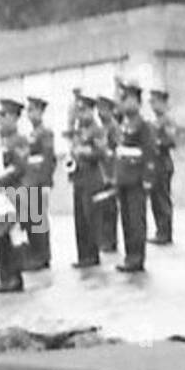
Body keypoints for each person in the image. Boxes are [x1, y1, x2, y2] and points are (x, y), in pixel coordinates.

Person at [112, 78, 158, 273]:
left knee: (136, 221)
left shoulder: (143, 125)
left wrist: (148, 179)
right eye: (124, 99)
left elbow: (149, 153)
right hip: (124, 178)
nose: (125, 103)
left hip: (137, 179)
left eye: (129, 99)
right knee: (126, 221)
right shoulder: (124, 125)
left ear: (138, 102)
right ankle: (130, 255)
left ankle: (137, 257)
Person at [0, 99, 29, 293]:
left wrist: (2, 176)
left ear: (13, 118)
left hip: (13, 192)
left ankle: (15, 277)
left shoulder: (19, 141)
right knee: (1, 236)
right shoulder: (1, 142)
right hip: (1, 193)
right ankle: (5, 276)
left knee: (13, 237)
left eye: (3, 116)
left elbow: (20, 167)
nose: (0, 121)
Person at [67, 92, 105, 269]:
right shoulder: (78, 130)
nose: (81, 115)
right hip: (79, 177)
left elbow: (100, 152)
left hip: (92, 176)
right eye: (79, 111)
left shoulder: (97, 130)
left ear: (92, 111)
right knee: (79, 218)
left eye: (84, 111)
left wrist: (83, 151)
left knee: (91, 218)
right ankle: (83, 254)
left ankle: (92, 254)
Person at [19, 94, 55, 271]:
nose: (30, 114)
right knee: (32, 220)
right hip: (30, 181)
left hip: (39, 182)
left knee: (39, 220)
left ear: (41, 112)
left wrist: (46, 182)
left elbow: (48, 159)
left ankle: (42, 256)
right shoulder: (32, 133)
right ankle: (35, 254)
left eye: (33, 110)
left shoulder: (45, 132)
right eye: (28, 111)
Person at [93, 95, 121, 253]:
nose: (100, 112)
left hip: (111, 171)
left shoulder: (113, 127)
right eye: (99, 109)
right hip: (101, 171)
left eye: (103, 109)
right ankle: (103, 239)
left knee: (110, 209)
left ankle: (110, 241)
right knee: (101, 208)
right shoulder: (100, 127)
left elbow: (118, 150)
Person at [148, 87, 176, 245]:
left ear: (163, 102)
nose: (153, 105)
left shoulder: (167, 120)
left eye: (155, 102)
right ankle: (160, 229)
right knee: (155, 199)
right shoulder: (154, 121)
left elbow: (171, 141)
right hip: (154, 164)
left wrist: (157, 143)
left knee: (162, 198)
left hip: (163, 163)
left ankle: (165, 232)